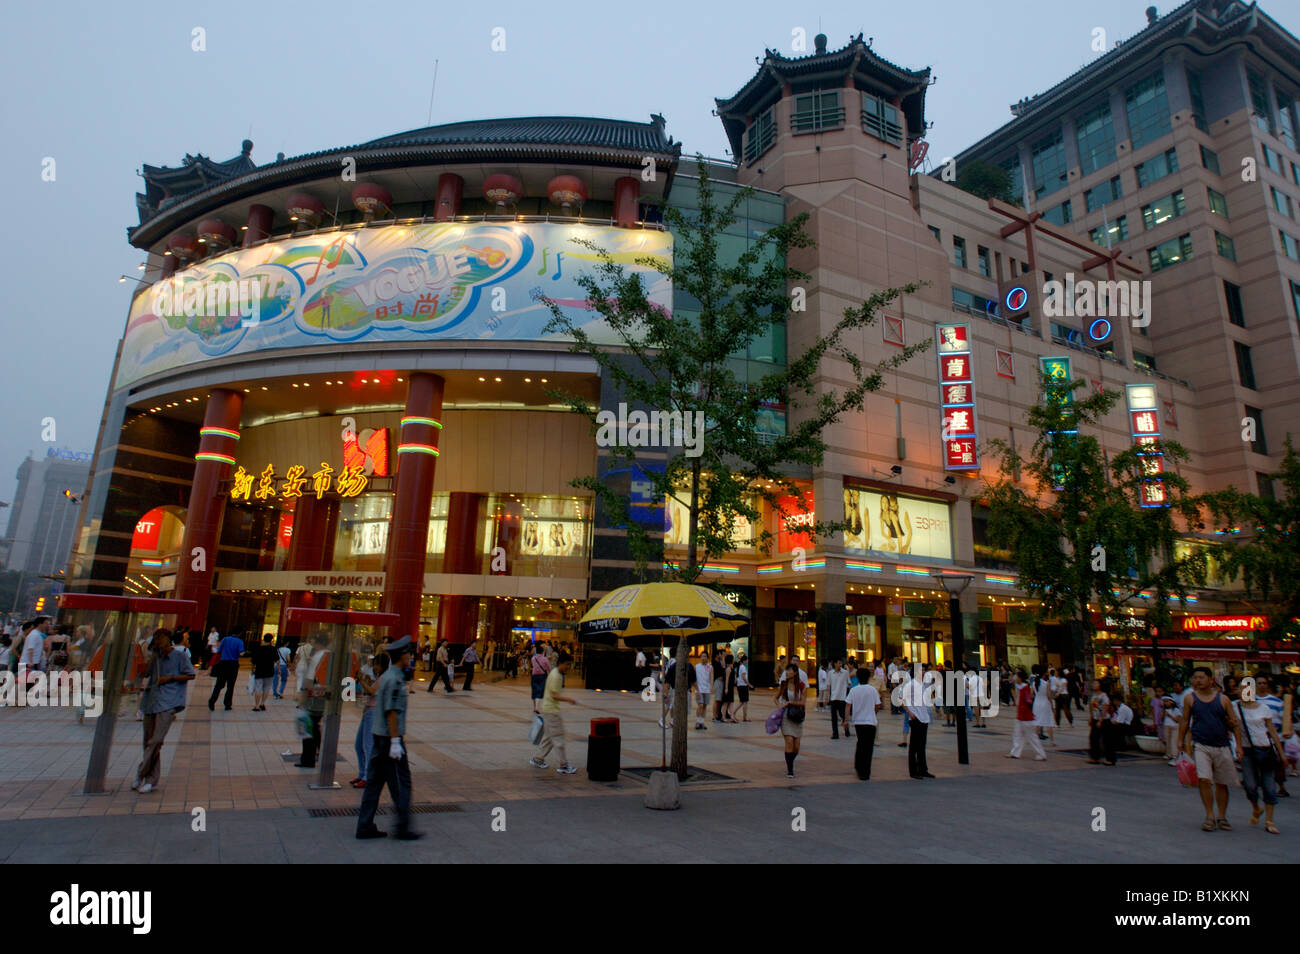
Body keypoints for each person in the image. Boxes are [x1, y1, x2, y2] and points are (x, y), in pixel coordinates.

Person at [356, 636, 422, 840]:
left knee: (375, 784)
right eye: (408, 653)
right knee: (402, 783)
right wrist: (395, 742)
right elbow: (392, 712)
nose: (410, 656)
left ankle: (365, 825)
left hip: (379, 738)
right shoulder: (394, 679)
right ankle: (402, 827)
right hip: (389, 739)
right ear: (401, 656)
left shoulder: (391, 676)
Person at [1178, 667, 1244, 832]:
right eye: (1195, 678)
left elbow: (1235, 723)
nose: (1198, 681)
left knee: (1222, 783)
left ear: (1210, 679)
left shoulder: (1223, 700)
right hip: (1201, 744)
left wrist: (1239, 746)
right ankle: (1209, 815)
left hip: (1222, 745)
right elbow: (1185, 720)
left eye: (1201, 677)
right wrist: (1180, 740)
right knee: (1204, 780)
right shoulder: (1189, 699)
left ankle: (1222, 816)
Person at [132, 628, 196, 794]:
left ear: (168, 639)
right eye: (156, 638)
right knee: (148, 741)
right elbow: (145, 673)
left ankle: (141, 772)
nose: (159, 641)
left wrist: (171, 678)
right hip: (151, 700)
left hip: (169, 701)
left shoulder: (179, 656)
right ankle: (150, 779)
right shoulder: (156, 656)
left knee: (157, 740)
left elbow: (191, 674)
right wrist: (151, 656)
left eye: (161, 638)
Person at [1234, 685, 1285, 834]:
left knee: (1269, 784)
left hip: (1265, 749)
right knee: (1250, 784)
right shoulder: (1234, 707)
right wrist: (1237, 746)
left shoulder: (1263, 708)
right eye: (1241, 688)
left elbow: (1272, 731)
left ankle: (1270, 820)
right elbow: (1232, 726)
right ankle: (1256, 808)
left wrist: (1281, 753)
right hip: (1247, 751)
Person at [530, 651, 578, 774]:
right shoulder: (557, 676)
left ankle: (537, 759)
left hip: (548, 709)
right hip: (552, 711)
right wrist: (570, 700)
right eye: (567, 664)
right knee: (559, 738)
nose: (568, 667)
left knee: (550, 738)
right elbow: (554, 695)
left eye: (570, 665)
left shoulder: (555, 673)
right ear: (560, 663)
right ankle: (563, 765)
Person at [350, 652, 387, 789]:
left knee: (367, 745)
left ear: (381, 665)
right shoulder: (379, 677)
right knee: (358, 745)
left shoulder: (384, 677)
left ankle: (367, 776)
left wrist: (362, 681)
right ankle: (362, 773)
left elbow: (372, 691)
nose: (374, 668)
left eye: (375, 665)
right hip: (368, 711)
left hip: (373, 712)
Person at [294, 632, 330, 768]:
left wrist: (302, 698)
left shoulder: (318, 656)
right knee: (315, 726)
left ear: (316, 641)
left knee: (309, 727)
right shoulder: (330, 654)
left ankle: (308, 759)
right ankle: (317, 753)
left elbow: (309, 680)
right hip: (325, 696)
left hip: (314, 697)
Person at [1255, 675, 1289, 798]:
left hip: (1276, 736)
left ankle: (1281, 787)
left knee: (1279, 762)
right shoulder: (1251, 701)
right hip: (1258, 737)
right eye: (1259, 683)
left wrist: (1287, 730)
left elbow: (1284, 719)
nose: (1262, 685)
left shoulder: (1277, 702)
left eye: (1264, 683)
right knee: (1260, 762)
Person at [845, 667, 882, 780]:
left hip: (858, 722)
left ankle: (858, 767)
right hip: (870, 721)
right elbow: (877, 705)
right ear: (868, 677)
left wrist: (846, 719)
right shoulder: (872, 690)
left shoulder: (854, 690)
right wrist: (873, 713)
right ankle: (865, 772)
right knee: (868, 747)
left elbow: (847, 705)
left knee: (861, 743)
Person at [1006, 668, 1048, 760]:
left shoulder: (1025, 688)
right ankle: (1015, 752)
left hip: (1025, 717)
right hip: (1021, 716)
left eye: (1016, 676)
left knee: (1031, 736)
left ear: (1020, 678)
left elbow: (1028, 701)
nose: (1015, 678)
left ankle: (1041, 754)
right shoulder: (1022, 688)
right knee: (1018, 735)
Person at [775, 662, 808, 778]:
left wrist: (790, 702)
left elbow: (803, 702)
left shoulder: (802, 686)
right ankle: (790, 770)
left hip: (797, 716)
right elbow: (775, 697)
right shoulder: (783, 684)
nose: (787, 673)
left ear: (795, 673)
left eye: (790, 671)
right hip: (786, 716)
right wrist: (779, 706)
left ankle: (791, 760)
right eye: (786, 670)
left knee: (796, 746)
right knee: (789, 741)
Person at [899, 666, 932, 779]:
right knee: (914, 746)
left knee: (922, 745)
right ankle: (913, 771)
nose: (924, 672)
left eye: (924, 670)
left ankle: (923, 769)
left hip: (924, 717)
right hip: (915, 717)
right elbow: (901, 699)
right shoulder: (910, 685)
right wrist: (909, 712)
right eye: (921, 670)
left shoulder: (923, 685)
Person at [207, 627, 245, 711]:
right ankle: (227, 705)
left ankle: (212, 701)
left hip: (223, 663)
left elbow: (219, 650)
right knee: (230, 686)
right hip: (233, 664)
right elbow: (241, 653)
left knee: (219, 684)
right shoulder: (240, 641)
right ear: (239, 634)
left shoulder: (225, 639)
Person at [250, 632, 277, 711]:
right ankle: (262, 704)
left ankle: (256, 706)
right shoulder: (273, 649)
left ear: (263, 639)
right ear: (271, 640)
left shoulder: (258, 648)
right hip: (269, 671)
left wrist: (252, 669)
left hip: (259, 670)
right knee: (266, 688)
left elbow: (253, 661)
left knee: (258, 688)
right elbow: (276, 660)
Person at [827, 659, 852, 739]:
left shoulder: (845, 673)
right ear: (835, 664)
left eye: (841, 663)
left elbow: (849, 683)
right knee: (834, 717)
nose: (840, 664)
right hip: (834, 697)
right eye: (839, 663)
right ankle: (835, 733)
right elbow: (828, 685)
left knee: (843, 715)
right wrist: (828, 696)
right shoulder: (830, 673)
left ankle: (846, 729)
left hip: (842, 698)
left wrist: (850, 694)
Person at [1031, 666, 1056, 745]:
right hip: (1045, 703)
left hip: (1036, 703)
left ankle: (1034, 740)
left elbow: (1031, 694)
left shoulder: (1034, 683)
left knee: (1037, 722)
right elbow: (1049, 695)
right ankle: (1051, 741)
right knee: (1049, 722)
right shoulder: (1046, 683)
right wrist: (1052, 705)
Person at [1162, 684, 1184, 764]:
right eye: (1164, 702)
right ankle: (1168, 754)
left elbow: (1177, 720)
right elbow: (1162, 718)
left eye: (1167, 701)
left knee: (1173, 741)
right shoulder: (1165, 710)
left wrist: (1170, 715)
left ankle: (1175, 756)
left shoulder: (1176, 710)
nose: (1165, 703)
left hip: (1174, 727)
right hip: (1166, 726)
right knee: (1167, 740)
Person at [528, 642, 550, 712]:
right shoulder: (545, 659)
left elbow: (533, 665)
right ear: (543, 651)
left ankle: (535, 707)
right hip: (542, 676)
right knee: (540, 691)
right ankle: (537, 707)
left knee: (534, 691)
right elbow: (549, 668)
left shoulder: (533, 658)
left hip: (534, 675)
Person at [694, 654, 712, 730]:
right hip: (699, 689)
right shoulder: (696, 667)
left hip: (707, 689)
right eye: (702, 656)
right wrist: (696, 689)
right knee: (700, 705)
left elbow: (711, 677)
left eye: (705, 656)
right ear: (700, 657)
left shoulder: (710, 667)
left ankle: (702, 722)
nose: (703, 658)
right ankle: (697, 722)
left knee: (704, 706)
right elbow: (694, 678)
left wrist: (711, 687)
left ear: (707, 658)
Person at [731, 654, 751, 722]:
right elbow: (743, 677)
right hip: (743, 686)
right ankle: (733, 713)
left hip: (740, 685)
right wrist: (749, 684)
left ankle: (744, 716)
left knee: (744, 702)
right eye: (747, 660)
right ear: (744, 661)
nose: (747, 661)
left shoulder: (740, 667)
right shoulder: (743, 667)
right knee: (743, 701)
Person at [721, 654, 737, 723]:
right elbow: (727, 679)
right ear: (731, 660)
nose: (734, 660)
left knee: (731, 702)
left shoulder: (731, 668)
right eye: (733, 659)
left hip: (731, 687)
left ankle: (732, 716)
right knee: (726, 702)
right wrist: (726, 688)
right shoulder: (728, 669)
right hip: (728, 687)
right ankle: (723, 717)